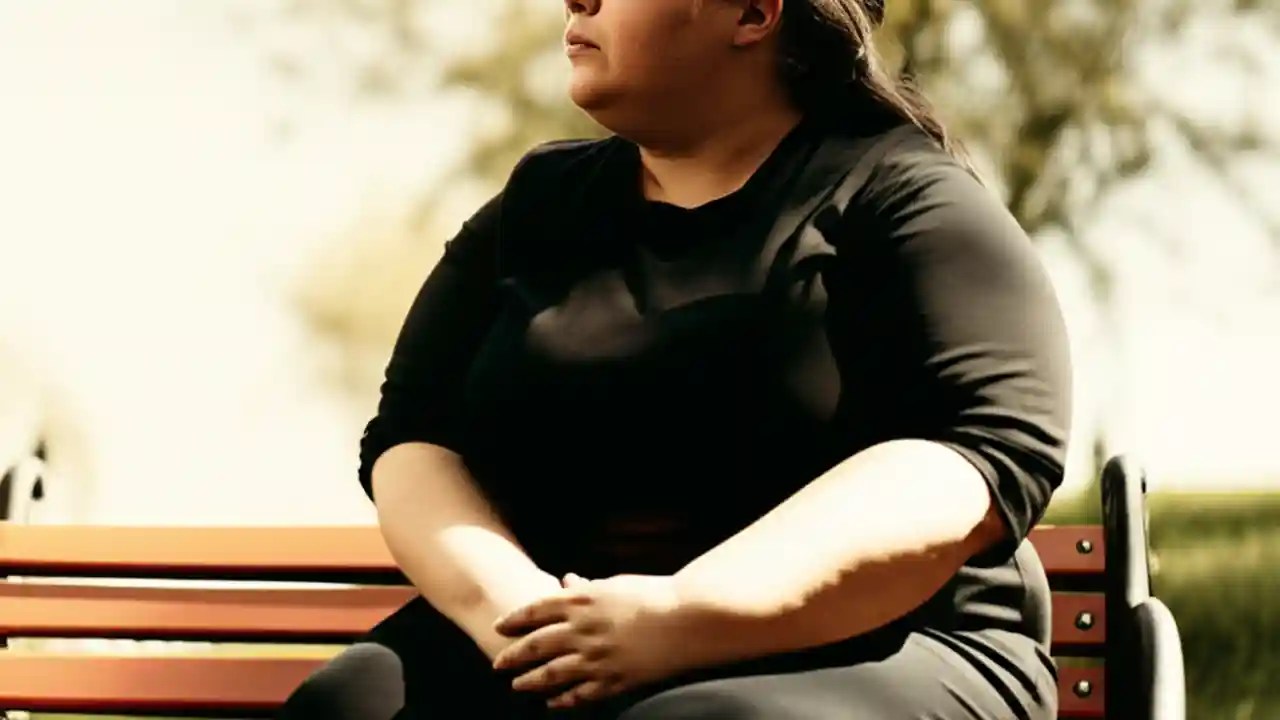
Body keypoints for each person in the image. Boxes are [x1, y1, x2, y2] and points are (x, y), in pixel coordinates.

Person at [278, 0, 1072, 717]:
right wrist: (523, 621)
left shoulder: (902, 197)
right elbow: (414, 436)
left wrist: (682, 615)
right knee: (350, 707)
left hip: (882, 647)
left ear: (754, 14)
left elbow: (984, 451)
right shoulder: (539, 207)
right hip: (570, 631)